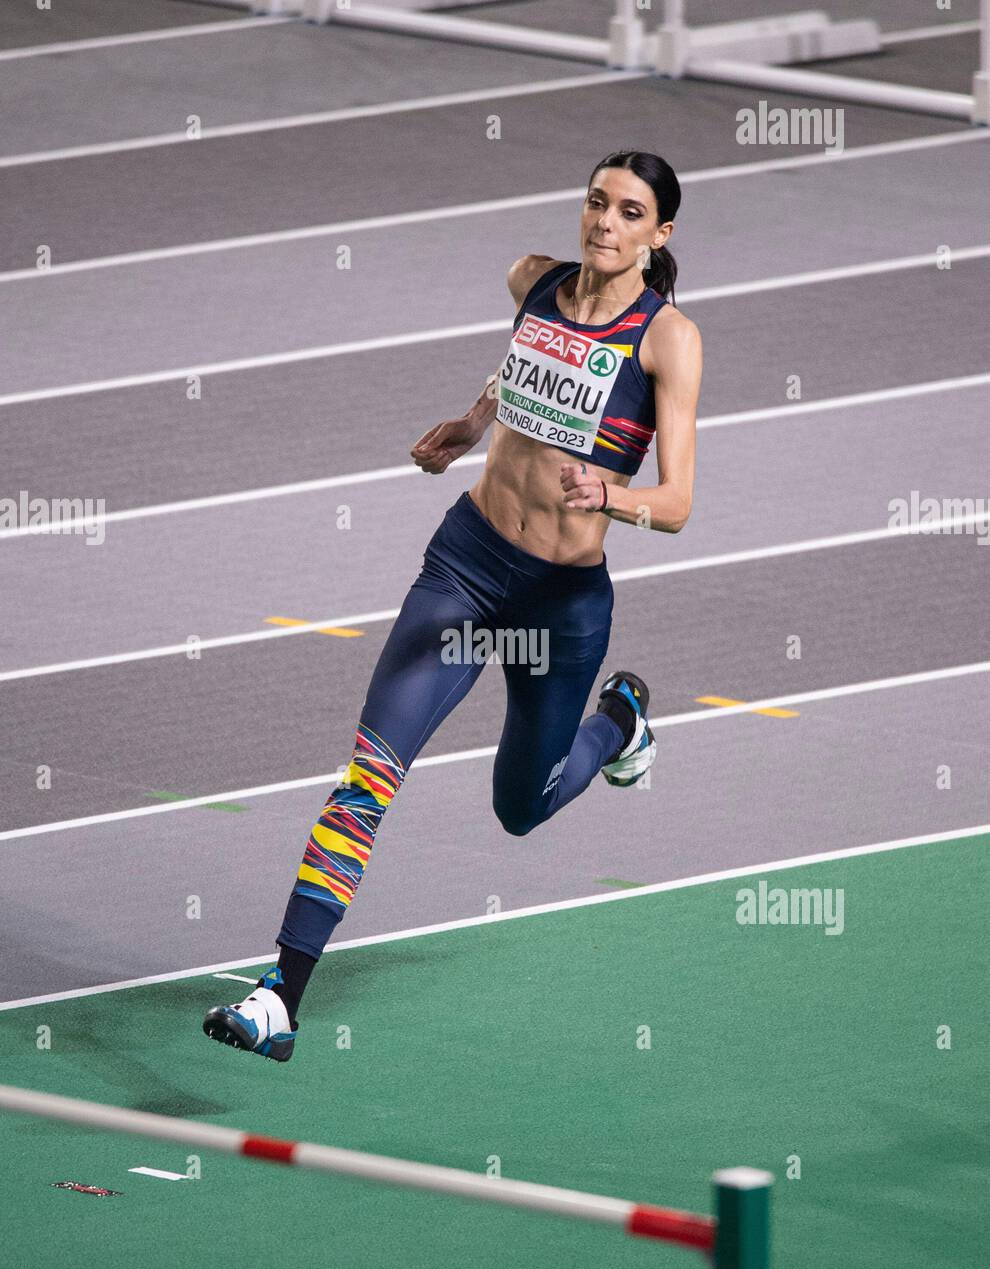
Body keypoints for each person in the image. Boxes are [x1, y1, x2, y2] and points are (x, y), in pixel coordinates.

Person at [203, 149, 703, 1062]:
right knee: (370, 774)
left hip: (561, 605)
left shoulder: (668, 338)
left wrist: (612, 497)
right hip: (468, 568)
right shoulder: (533, 282)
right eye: (597, 202)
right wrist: (474, 423)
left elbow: (677, 504)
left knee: (523, 806)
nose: (605, 222)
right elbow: (522, 371)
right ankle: (281, 993)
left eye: (631, 213)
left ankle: (619, 723)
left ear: (659, 234)